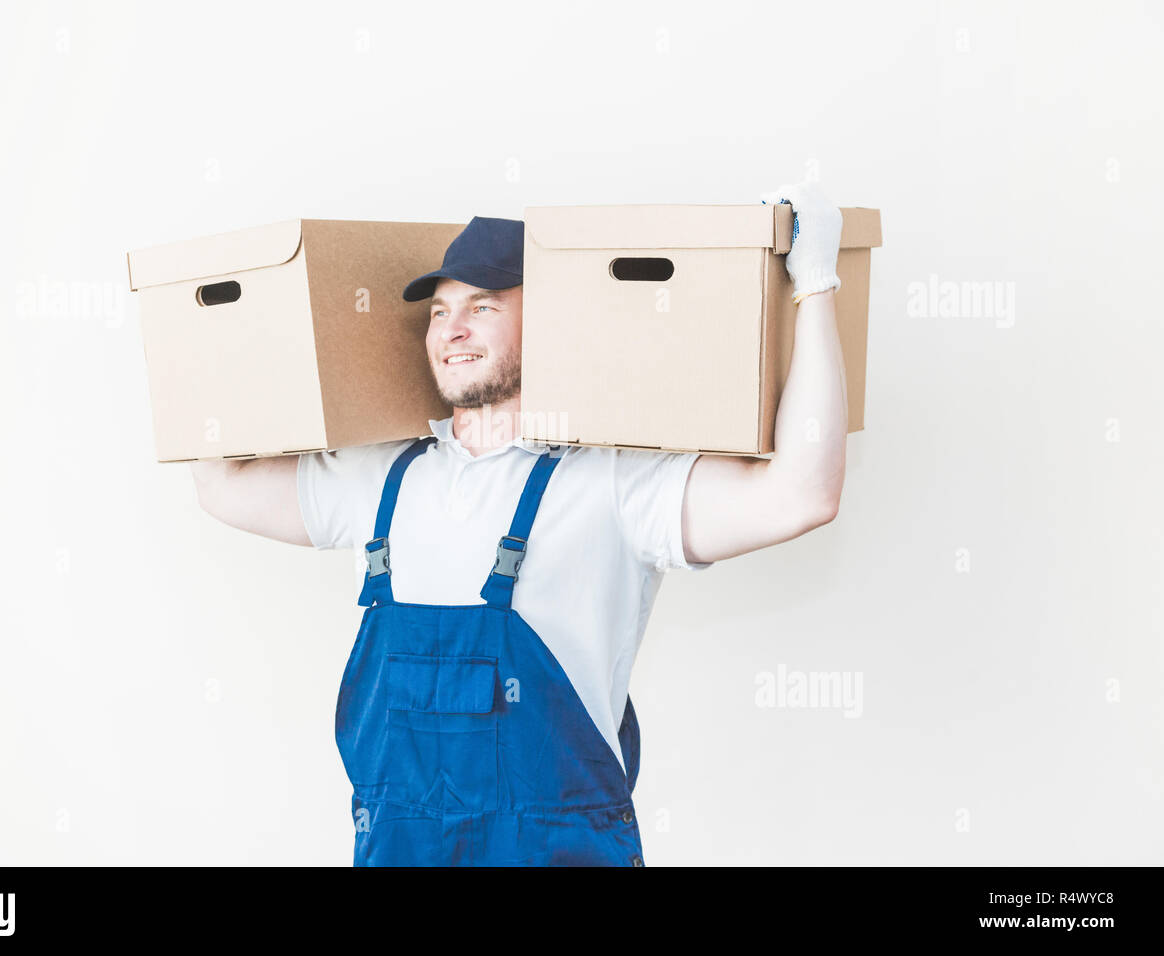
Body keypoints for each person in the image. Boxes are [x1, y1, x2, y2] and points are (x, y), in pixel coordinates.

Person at [190, 182, 849, 866]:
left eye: (484, 305)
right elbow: (218, 482)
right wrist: (220, 319)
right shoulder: (379, 479)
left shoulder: (611, 482)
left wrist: (816, 286)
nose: (453, 328)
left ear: (551, 323)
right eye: (440, 310)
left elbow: (800, 494)